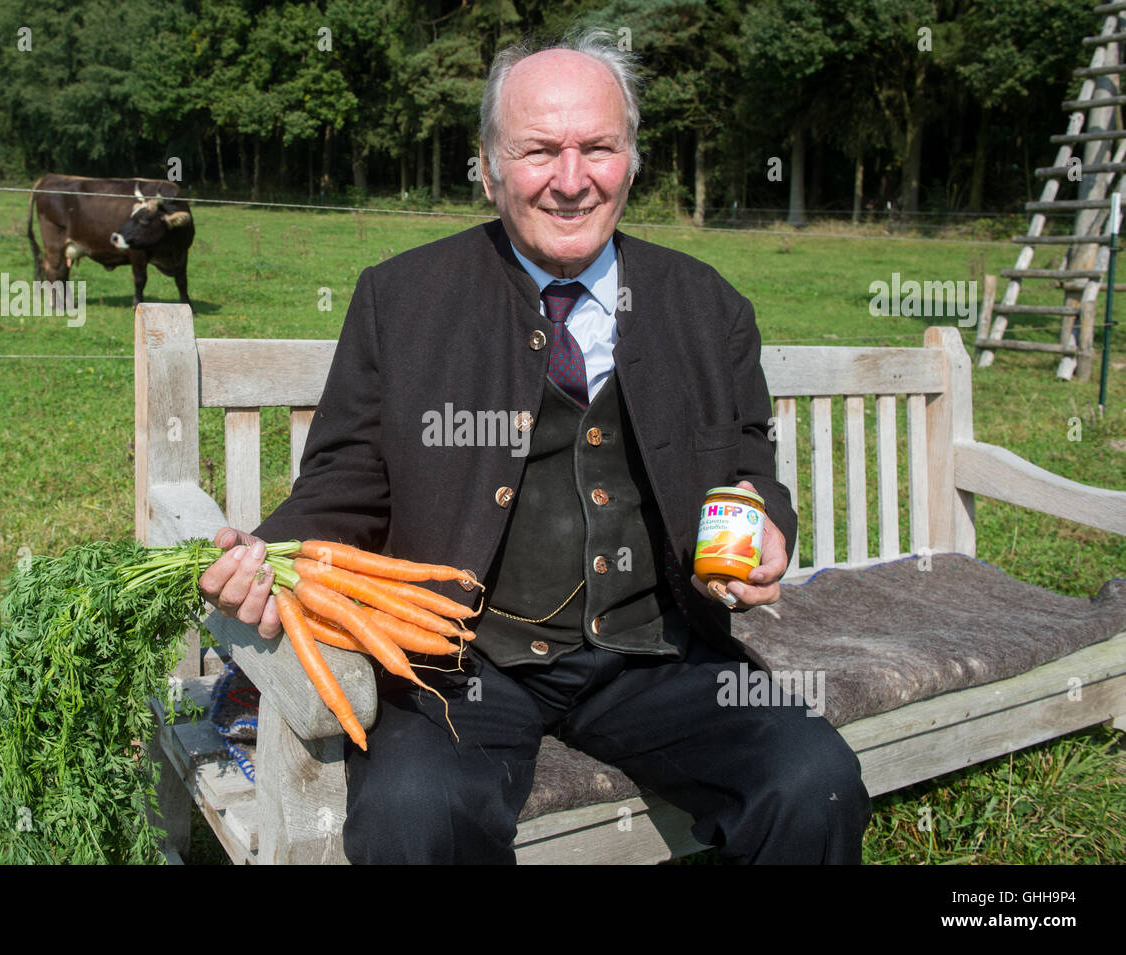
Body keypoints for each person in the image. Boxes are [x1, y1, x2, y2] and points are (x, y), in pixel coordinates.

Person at [199, 29, 871, 864]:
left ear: (632, 158)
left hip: (656, 653)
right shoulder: (398, 300)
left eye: (598, 147)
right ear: (488, 166)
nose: (570, 179)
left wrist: (765, 522)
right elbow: (347, 474)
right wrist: (276, 552)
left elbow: (746, 463)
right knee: (416, 816)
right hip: (460, 663)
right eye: (539, 150)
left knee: (815, 779)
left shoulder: (709, 306)